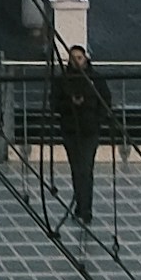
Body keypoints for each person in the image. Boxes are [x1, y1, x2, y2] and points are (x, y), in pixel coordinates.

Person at [48, 30, 112, 234]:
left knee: (86, 169)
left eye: (79, 57)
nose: (76, 61)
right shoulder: (62, 80)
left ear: (85, 59)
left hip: (89, 131)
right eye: (73, 58)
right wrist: (70, 105)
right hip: (70, 130)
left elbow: (106, 103)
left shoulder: (96, 80)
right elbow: (54, 103)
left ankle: (86, 209)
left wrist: (95, 119)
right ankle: (80, 205)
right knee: (77, 169)